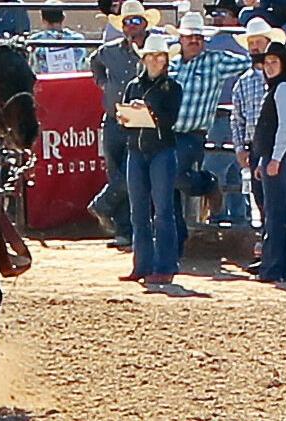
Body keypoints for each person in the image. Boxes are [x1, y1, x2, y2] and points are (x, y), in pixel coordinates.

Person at [231, 17, 286, 273]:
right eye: (252, 43)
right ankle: (274, 254)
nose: (255, 47)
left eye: (260, 42)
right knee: (266, 203)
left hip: (278, 148)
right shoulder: (244, 82)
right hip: (258, 147)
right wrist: (241, 147)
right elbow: (238, 118)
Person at [166, 12, 250, 256]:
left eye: (198, 37)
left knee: (174, 176)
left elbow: (247, 62)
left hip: (193, 133)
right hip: (166, 132)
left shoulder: (215, 61)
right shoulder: (171, 64)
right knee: (167, 188)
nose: (195, 41)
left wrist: (262, 53)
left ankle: (207, 183)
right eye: (190, 37)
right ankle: (177, 241)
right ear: (180, 39)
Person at [87, 0, 160, 250]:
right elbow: (93, 61)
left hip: (141, 122)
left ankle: (103, 205)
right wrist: (103, 83)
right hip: (114, 117)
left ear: (145, 24)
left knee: (131, 172)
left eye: (136, 21)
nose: (131, 26)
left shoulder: (155, 49)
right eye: (127, 22)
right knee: (116, 169)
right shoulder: (109, 50)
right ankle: (123, 229)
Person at [117, 34, 182, 284]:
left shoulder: (172, 87)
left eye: (159, 57)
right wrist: (127, 118)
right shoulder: (134, 86)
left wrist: (147, 113)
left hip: (161, 150)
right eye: (151, 56)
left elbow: (170, 120)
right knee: (139, 211)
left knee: (163, 211)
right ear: (144, 59)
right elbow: (124, 124)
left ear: (166, 60)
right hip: (137, 150)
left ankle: (165, 265)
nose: (155, 61)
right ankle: (142, 265)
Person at [253, 42, 286, 283]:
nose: (269, 66)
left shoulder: (282, 88)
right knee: (282, 211)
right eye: (267, 62)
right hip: (281, 154)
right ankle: (283, 266)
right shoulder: (281, 87)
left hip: (281, 155)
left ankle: (274, 267)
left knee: (275, 213)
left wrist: (274, 158)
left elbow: (285, 127)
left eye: (274, 62)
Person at [203, 0, 250, 224]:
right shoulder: (242, 46)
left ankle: (217, 217)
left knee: (213, 169)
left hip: (220, 115)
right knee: (232, 169)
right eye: (215, 13)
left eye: (222, 13)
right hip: (233, 115)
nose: (217, 17)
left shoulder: (212, 44)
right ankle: (240, 218)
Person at [27, 0, 88, 74]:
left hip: (45, 83)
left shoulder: (35, 40)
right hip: (74, 82)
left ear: (43, 20)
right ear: (63, 18)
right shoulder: (78, 39)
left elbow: (31, 66)